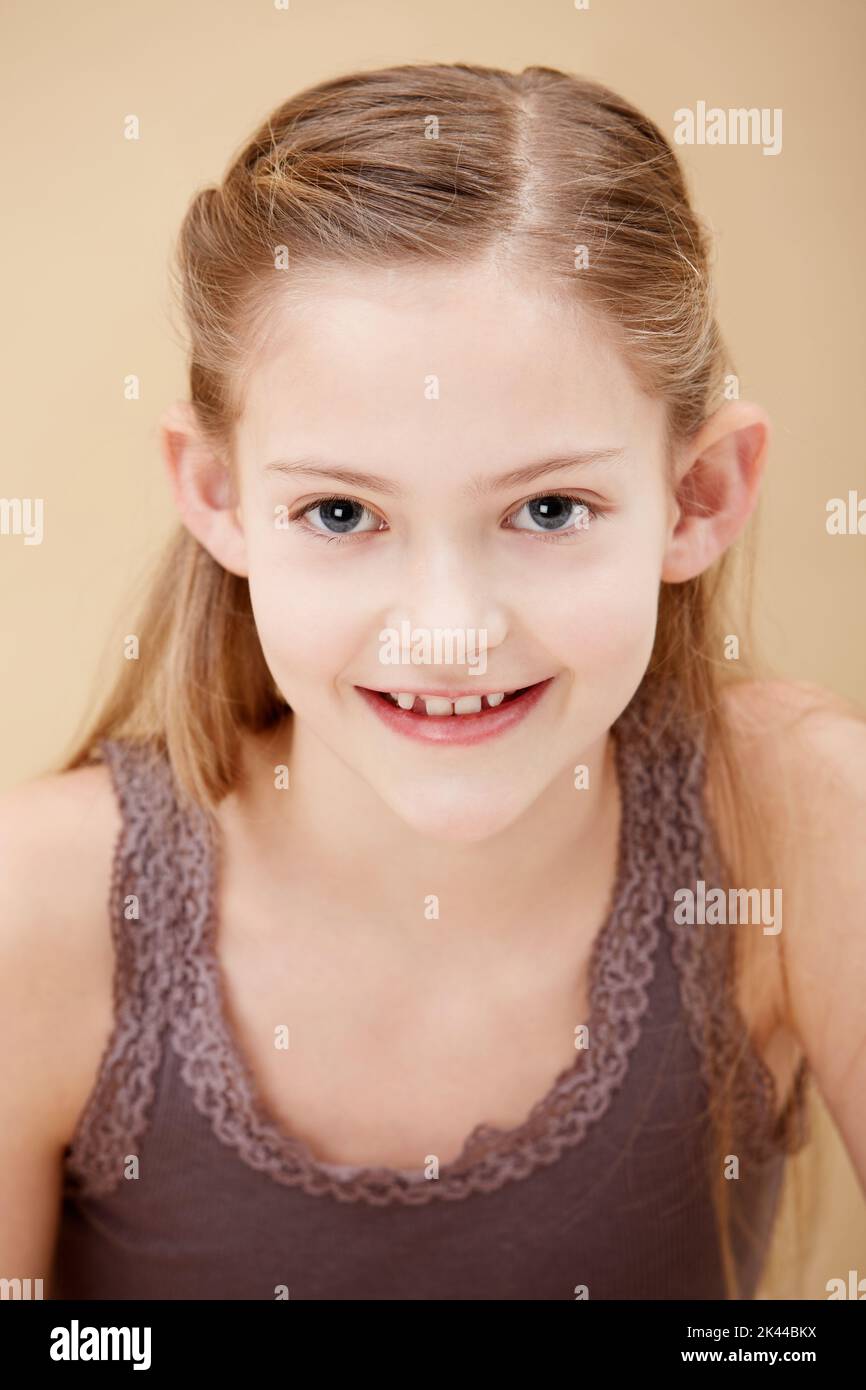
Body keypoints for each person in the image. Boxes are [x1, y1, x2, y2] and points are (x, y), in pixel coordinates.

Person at [1, 62, 863, 1301]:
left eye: (548, 508)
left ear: (699, 496)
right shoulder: (38, 910)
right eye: (342, 510)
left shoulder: (798, 826)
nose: (450, 633)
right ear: (215, 495)